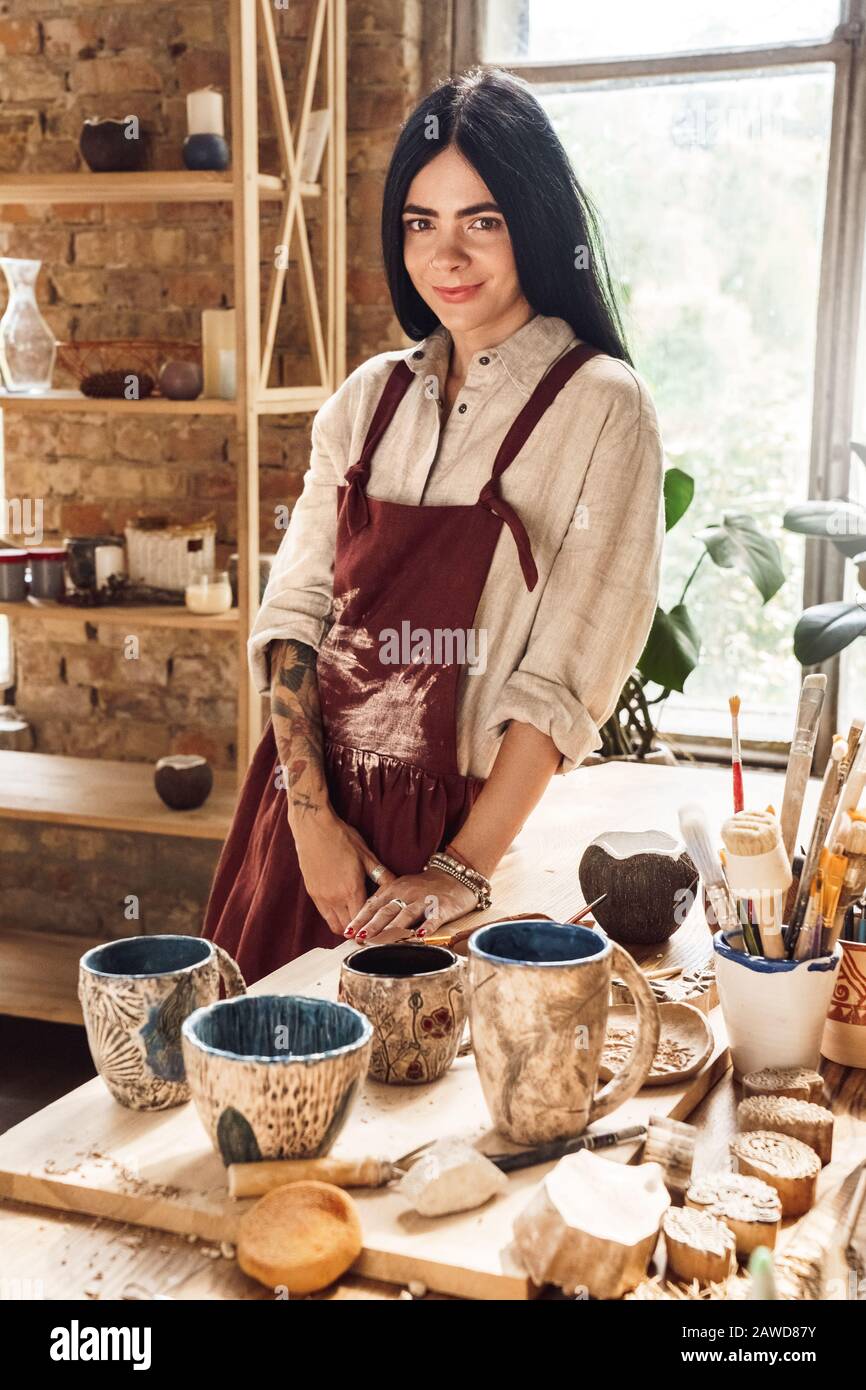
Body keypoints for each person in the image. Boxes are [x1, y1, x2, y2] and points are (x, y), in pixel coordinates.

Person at [201, 67, 665, 985]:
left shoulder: (604, 408)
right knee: (248, 1099)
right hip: (303, 816)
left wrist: (458, 870)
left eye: (481, 222)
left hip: (460, 841)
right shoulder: (367, 399)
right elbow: (294, 617)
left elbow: (563, 680)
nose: (446, 258)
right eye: (422, 224)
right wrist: (311, 823)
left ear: (534, 223)